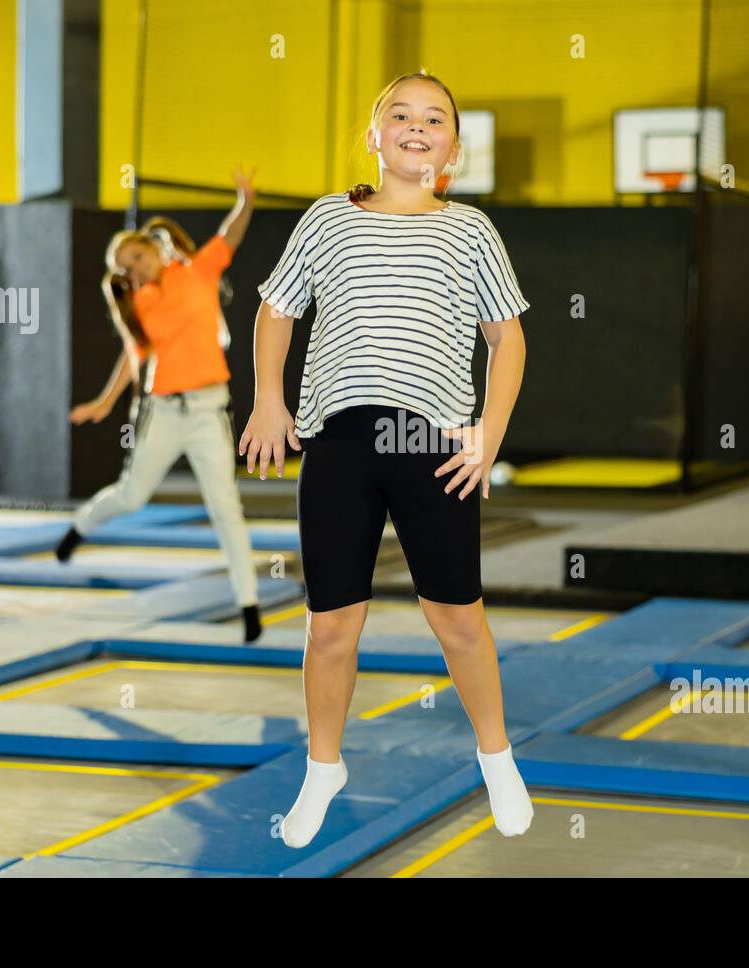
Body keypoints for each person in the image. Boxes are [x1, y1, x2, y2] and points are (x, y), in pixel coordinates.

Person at [242, 71, 533, 847]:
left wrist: (488, 433)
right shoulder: (328, 220)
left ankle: (496, 756)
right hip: (338, 440)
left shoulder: (469, 231)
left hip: (431, 444)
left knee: (457, 617)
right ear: (372, 138)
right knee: (331, 624)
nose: (415, 126)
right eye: (399, 115)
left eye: (433, 118)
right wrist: (269, 398)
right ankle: (322, 767)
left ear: (453, 148)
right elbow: (276, 309)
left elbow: (508, 339)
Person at [57, 166, 262, 641]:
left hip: (210, 411)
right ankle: (79, 526)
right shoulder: (143, 303)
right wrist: (104, 404)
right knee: (132, 495)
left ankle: (249, 604)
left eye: (135, 257)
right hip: (164, 411)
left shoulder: (199, 271)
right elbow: (133, 360)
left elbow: (230, 234)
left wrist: (245, 198)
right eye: (126, 268)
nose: (134, 269)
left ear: (151, 246)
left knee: (225, 507)